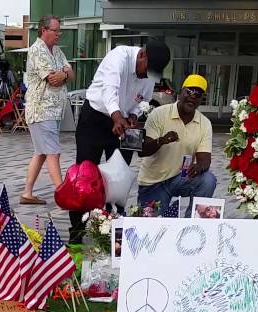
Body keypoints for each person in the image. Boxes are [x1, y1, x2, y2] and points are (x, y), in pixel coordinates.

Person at [68, 39, 170, 241]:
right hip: (95, 119)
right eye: (144, 71)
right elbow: (109, 91)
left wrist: (132, 117)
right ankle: (77, 232)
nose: (145, 77)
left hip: (122, 123)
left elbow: (143, 101)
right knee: (85, 176)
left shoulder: (149, 73)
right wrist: (117, 116)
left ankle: (110, 230)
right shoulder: (118, 57)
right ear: (142, 55)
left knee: (119, 178)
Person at [136, 74, 215, 218]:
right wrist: (161, 140)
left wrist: (199, 167)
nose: (192, 97)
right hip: (154, 182)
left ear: (201, 100)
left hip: (180, 179)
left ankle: (191, 226)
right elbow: (141, 152)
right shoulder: (159, 114)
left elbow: (205, 159)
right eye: (189, 92)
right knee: (148, 229)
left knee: (208, 180)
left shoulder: (205, 123)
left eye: (198, 94)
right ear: (180, 93)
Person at [20, 15, 73, 205]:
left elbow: (70, 73)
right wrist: (63, 73)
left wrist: (64, 74)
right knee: (53, 151)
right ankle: (62, 193)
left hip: (54, 110)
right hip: (41, 110)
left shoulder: (57, 51)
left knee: (41, 152)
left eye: (59, 31)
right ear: (44, 30)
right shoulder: (37, 50)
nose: (58, 34)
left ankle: (27, 193)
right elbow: (52, 79)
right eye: (55, 30)